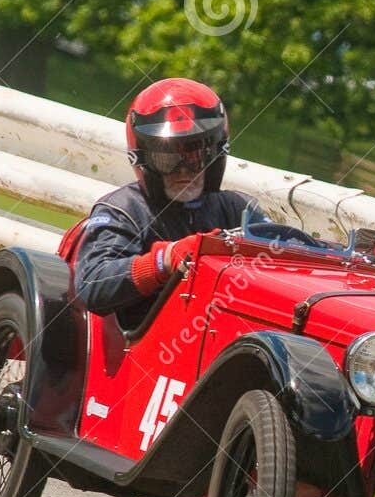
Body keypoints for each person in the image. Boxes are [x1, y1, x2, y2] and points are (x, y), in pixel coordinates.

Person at [61, 78, 265, 329]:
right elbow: (93, 287)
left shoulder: (239, 209)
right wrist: (164, 260)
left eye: (197, 156)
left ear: (218, 153)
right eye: (167, 158)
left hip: (221, 334)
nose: (185, 171)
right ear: (143, 160)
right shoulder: (124, 210)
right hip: (145, 346)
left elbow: (278, 257)